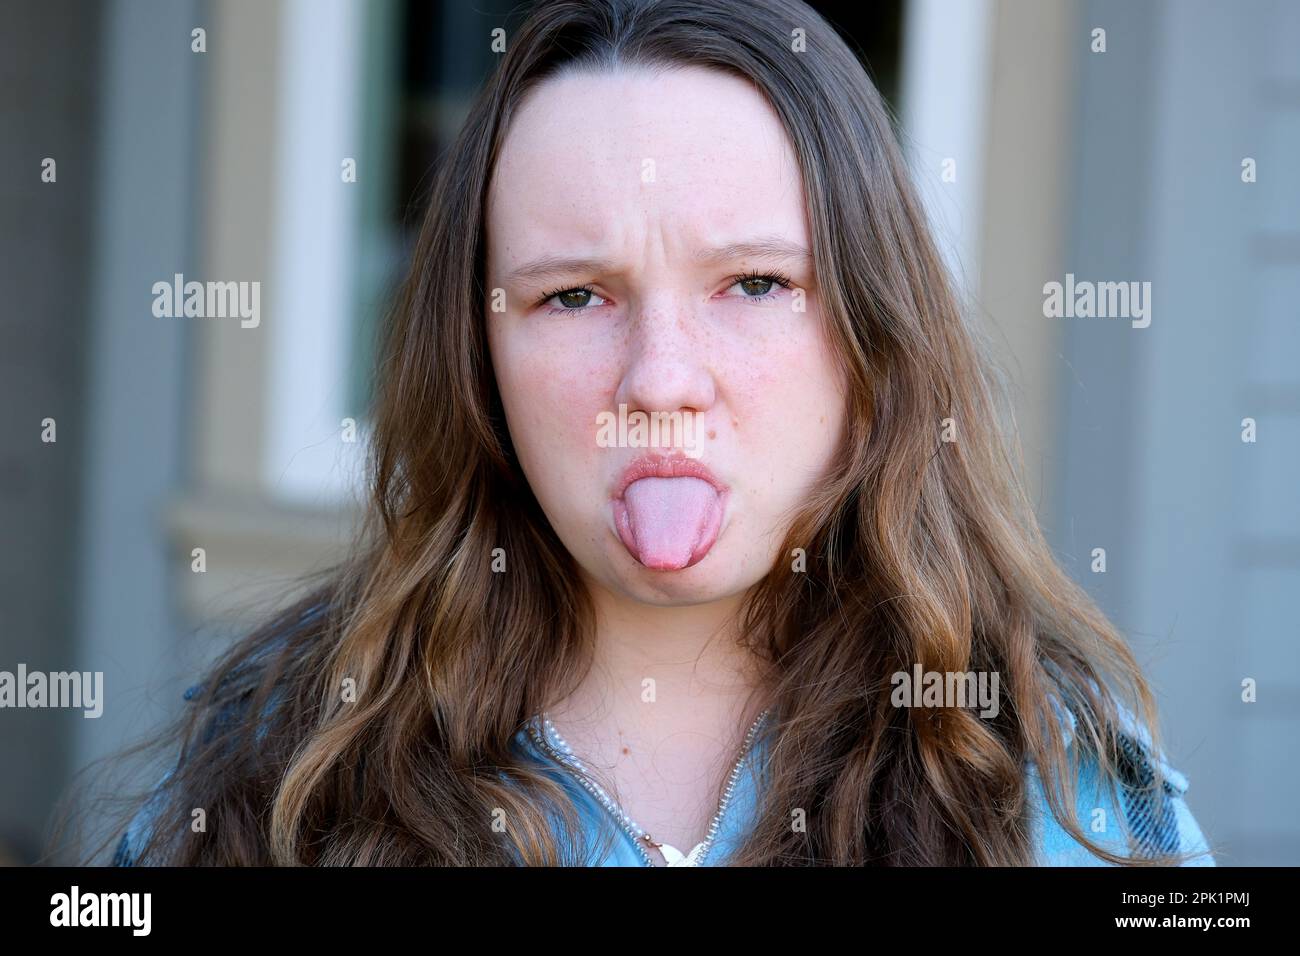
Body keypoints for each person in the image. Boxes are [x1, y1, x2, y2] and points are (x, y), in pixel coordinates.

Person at [106, 0, 1213, 867]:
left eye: (755, 282)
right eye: (574, 297)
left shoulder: (1050, 767)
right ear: (478, 359)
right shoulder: (282, 756)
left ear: (873, 335)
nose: (661, 380)